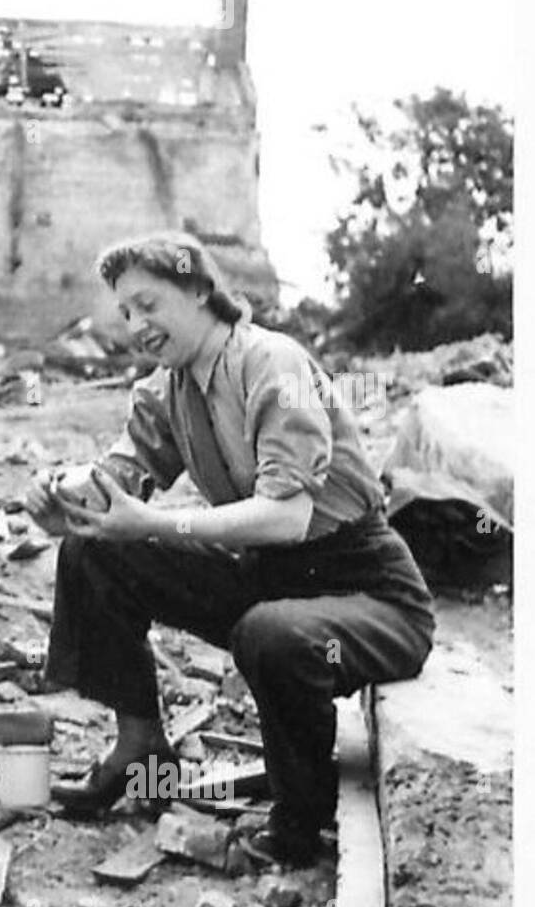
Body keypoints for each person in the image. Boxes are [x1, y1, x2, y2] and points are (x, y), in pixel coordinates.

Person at [25, 232, 435, 867]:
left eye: (148, 304)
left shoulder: (272, 363)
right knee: (94, 554)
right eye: (126, 313)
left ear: (198, 292)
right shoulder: (168, 390)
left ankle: (300, 825)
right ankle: (141, 748)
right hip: (270, 576)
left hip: (368, 592)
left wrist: (154, 525)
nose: (137, 325)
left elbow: (287, 517)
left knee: (270, 633)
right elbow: (117, 487)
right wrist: (64, 503)